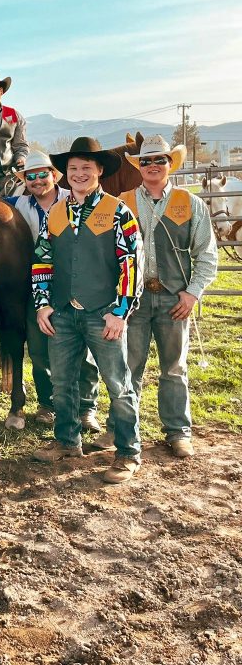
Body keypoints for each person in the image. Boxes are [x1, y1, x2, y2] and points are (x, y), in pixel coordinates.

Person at [31, 137, 144, 484]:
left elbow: (132, 264)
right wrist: (43, 304)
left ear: (98, 172)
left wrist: (119, 311)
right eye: (73, 168)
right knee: (62, 382)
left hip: (102, 313)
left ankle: (128, 451)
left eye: (85, 168)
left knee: (118, 383)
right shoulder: (56, 212)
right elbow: (42, 260)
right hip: (63, 313)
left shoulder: (118, 211)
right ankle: (67, 441)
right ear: (65, 174)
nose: (78, 174)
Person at [113, 135, 217, 458]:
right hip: (135, 301)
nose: (152, 166)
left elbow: (207, 255)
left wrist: (192, 294)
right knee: (130, 366)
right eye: (146, 161)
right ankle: (124, 431)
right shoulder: (123, 201)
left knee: (174, 367)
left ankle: (178, 431)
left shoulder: (191, 203)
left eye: (159, 160)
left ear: (170, 164)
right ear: (139, 167)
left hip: (175, 299)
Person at [7, 151, 100, 430]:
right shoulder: (17, 205)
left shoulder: (73, 200)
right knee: (38, 349)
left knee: (83, 350)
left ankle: (86, 407)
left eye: (42, 174)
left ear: (54, 175)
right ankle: (48, 403)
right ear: (24, 181)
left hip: (73, 284)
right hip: (35, 287)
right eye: (30, 176)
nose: (36, 181)